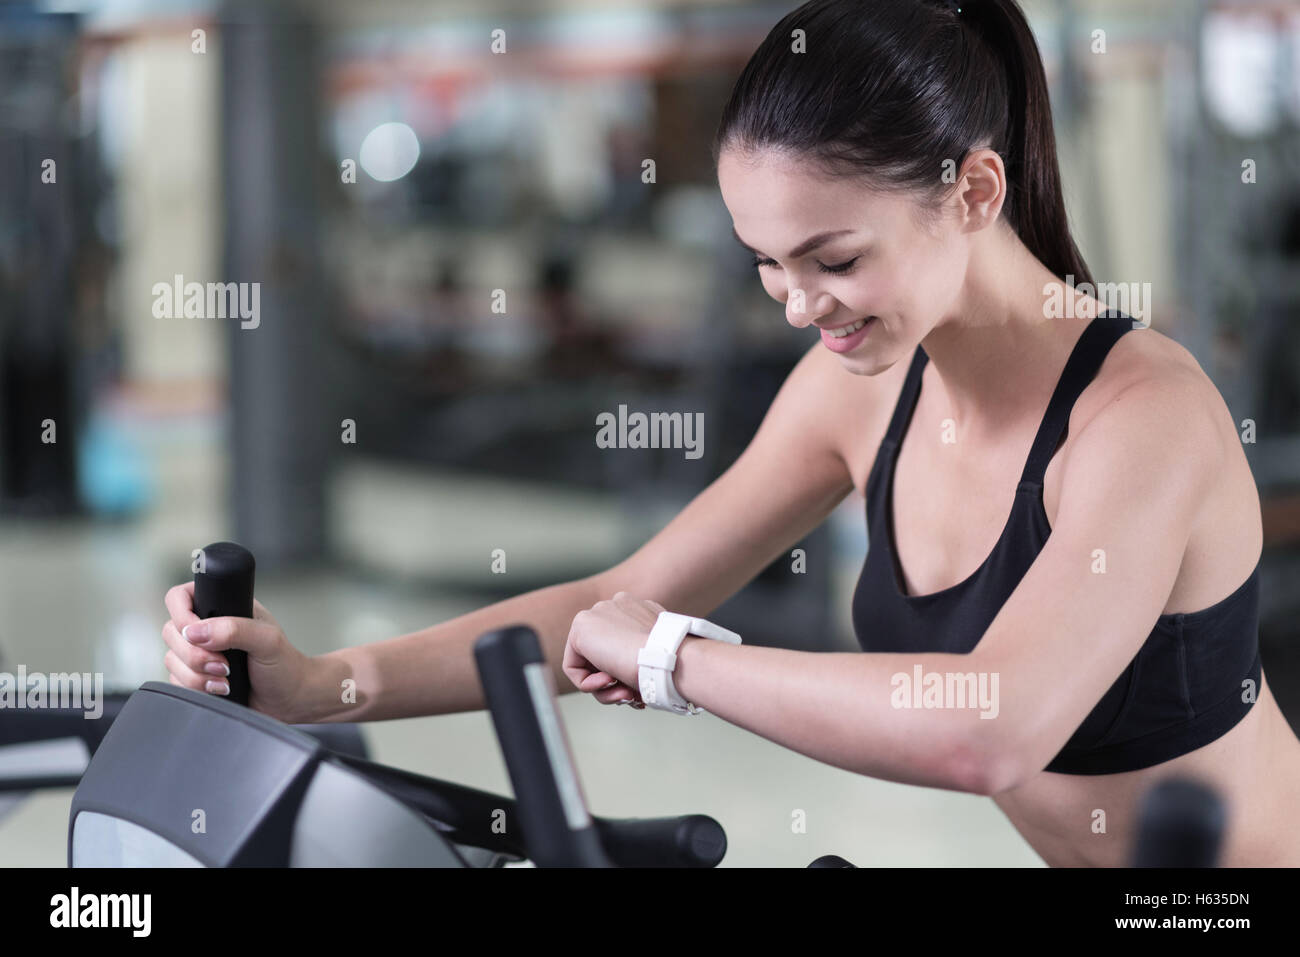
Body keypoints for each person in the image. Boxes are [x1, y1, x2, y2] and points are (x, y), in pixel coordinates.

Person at [160, 0, 1300, 866]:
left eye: (835, 260)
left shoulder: (1142, 416)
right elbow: (631, 586)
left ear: (974, 193)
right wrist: (322, 685)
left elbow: (991, 729)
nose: (801, 306)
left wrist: (679, 662)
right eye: (767, 265)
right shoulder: (860, 389)